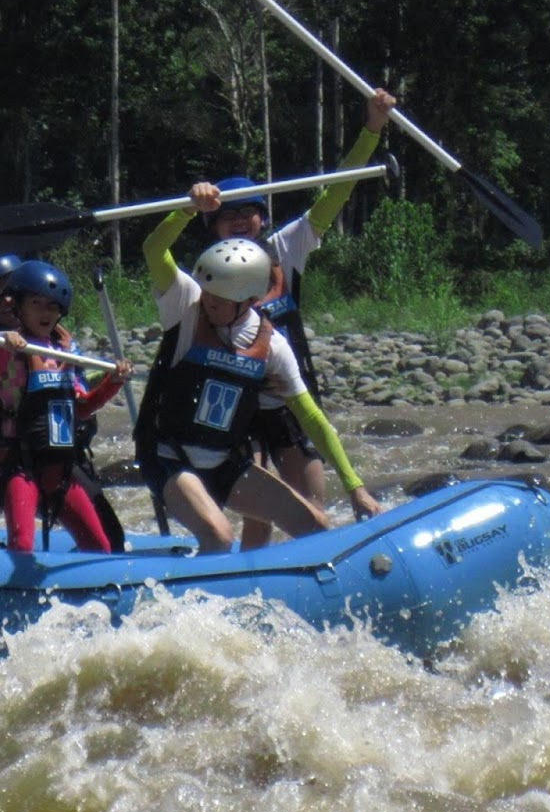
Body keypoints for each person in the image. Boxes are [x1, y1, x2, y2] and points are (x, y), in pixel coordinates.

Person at [200, 88, 396, 548]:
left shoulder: (286, 247)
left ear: (262, 219)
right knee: (259, 516)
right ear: (213, 226)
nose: (241, 221)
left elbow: (340, 190)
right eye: (229, 215)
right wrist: (189, 203)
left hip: (291, 393)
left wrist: (372, 129)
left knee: (314, 507)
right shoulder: (208, 271)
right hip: (238, 402)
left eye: (249, 212)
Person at [135, 211, 383, 554]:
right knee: (219, 536)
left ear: (250, 300)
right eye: (208, 293)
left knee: (317, 526)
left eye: (219, 300)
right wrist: (188, 210)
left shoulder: (273, 346)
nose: (208, 302)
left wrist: (355, 486)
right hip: (168, 456)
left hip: (223, 461)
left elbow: (312, 420)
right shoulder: (187, 306)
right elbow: (154, 249)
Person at [0, 260, 132, 553]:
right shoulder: (6, 352)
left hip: (61, 469)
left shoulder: (65, 355)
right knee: (21, 543)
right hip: (21, 468)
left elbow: (82, 408)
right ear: (18, 307)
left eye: (52, 306)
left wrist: (114, 382)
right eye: (36, 304)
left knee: (100, 545)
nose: (46, 313)